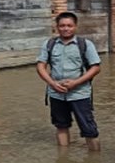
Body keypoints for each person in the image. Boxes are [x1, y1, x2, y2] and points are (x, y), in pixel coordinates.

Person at [36, 12, 102, 151]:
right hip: (56, 94)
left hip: (80, 94)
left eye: (69, 26)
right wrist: (52, 83)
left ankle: (95, 161)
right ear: (57, 27)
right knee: (61, 126)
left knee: (89, 128)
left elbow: (95, 68)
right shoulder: (50, 44)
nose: (66, 28)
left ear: (75, 27)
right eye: (62, 26)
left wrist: (76, 83)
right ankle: (63, 158)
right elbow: (40, 66)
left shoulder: (85, 44)